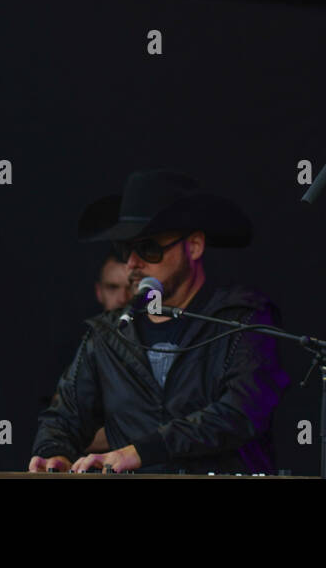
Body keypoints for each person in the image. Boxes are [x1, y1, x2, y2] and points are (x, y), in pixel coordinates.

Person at [28, 169, 289, 474]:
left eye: (148, 248)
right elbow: (64, 416)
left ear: (193, 246)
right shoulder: (109, 333)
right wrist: (54, 451)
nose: (132, 263)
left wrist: (143, 451)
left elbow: (243, 412)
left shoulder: (242, 320)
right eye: (126, 249)